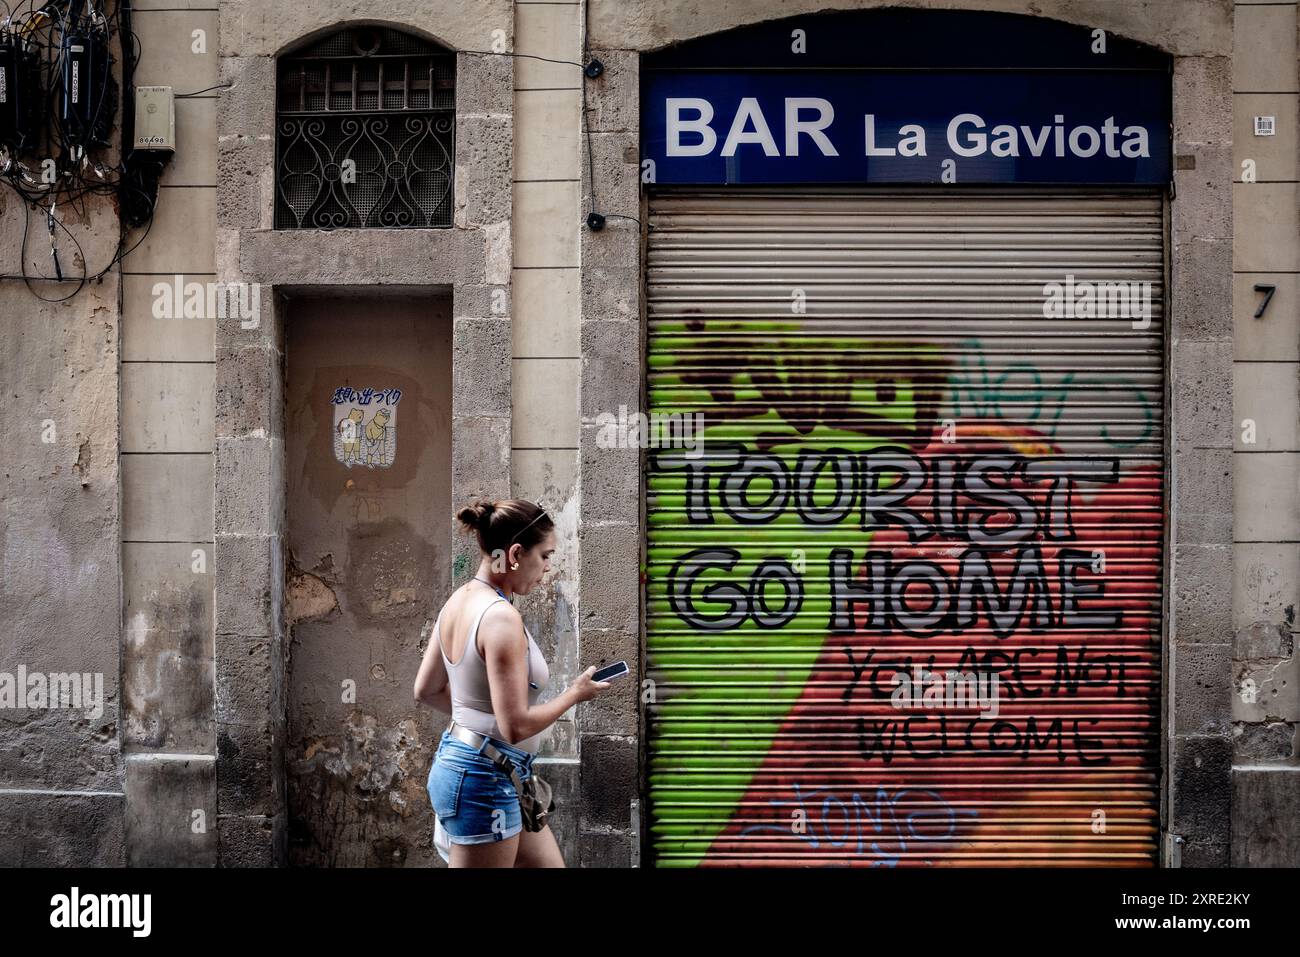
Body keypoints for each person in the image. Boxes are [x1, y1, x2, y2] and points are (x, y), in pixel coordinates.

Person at [414, 498, 610, 867]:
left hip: (487, 767)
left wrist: (477, 723)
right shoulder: (500, 619)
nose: (548, 568)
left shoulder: (459, 601)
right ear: (516, 553)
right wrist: (575, 694)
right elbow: (515, 726)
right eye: (545, 556)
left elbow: (425, 690)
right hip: (482, 779)